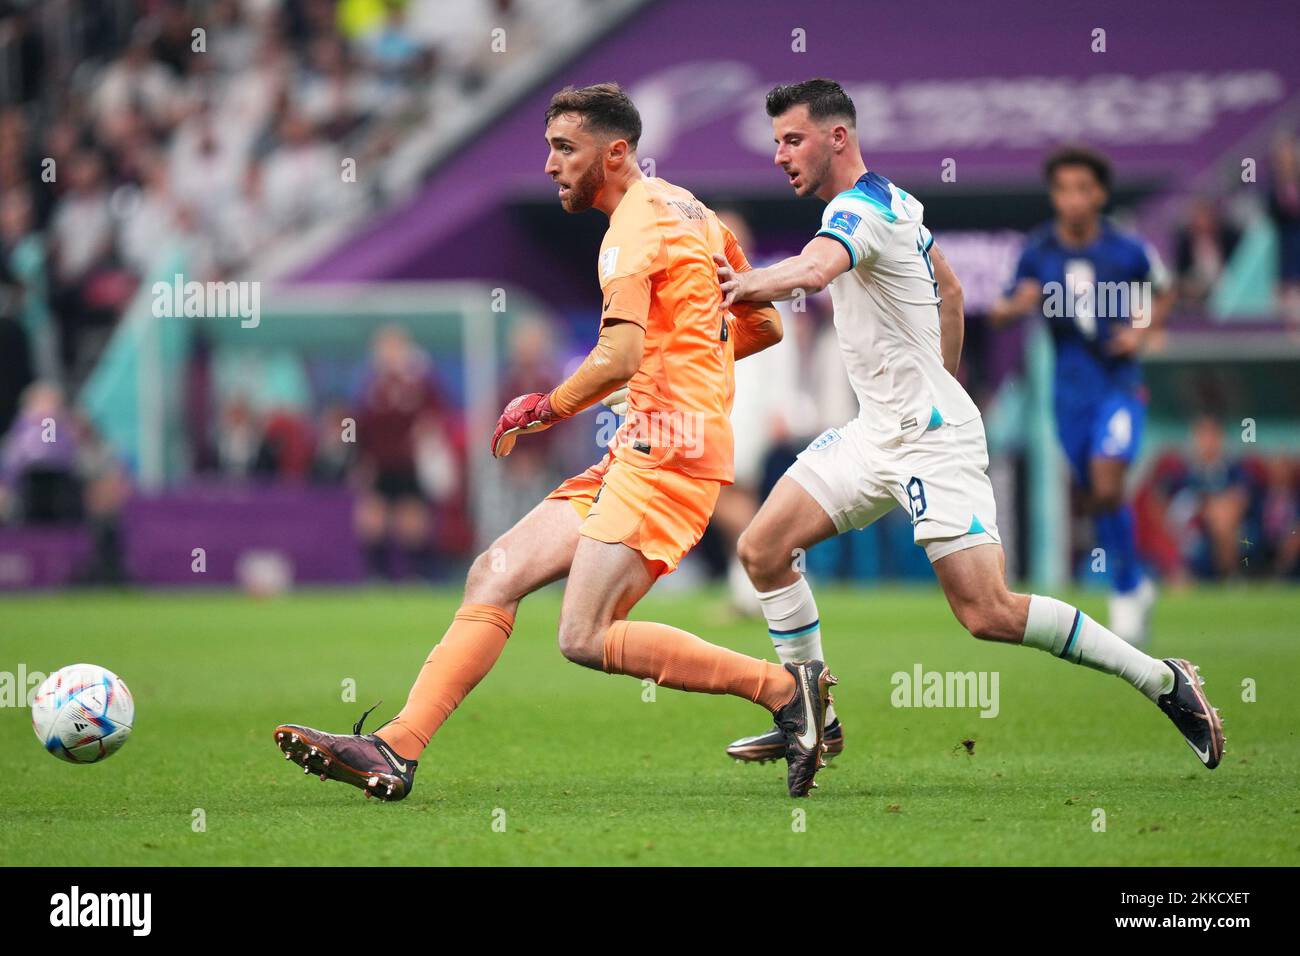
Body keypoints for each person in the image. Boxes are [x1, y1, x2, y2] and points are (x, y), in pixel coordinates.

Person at [274, 83, 835, 801]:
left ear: (616, 152)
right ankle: (395, 750)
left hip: (666, 450)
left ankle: (787, 693)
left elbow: (620, 357)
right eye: (548, 148)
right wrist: (688, 361)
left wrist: (542, 408)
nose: (549, 165)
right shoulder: (688, 207)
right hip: (651, 442)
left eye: (565, 149)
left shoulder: (631, 231)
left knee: (585, 634)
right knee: (495, 573)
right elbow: (764, 324)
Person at [716, 79, 1223, 773]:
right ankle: (814, 714)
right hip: (878, 433)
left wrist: (748, 283)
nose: (779, 154)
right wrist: (945, 379)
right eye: (775, 141)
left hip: (929, 439)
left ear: (838, 137)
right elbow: (950, 290)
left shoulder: (861, 212)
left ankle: (1165, 683)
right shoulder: (897, 204)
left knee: (986, 613)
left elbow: (814, 267)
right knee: (763, 548)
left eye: (792, 139)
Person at [990, 144, 1173, 647]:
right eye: (1063, 189)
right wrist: (1018, 304)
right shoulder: (1038, 250)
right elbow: (1002, 310)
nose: (1072, 199)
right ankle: (1134, 583)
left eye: (1082, 189)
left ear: (1100, 194)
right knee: (1095, 493)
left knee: (1109, 481)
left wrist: (1143, 331)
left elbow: (1163, 291)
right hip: (1068, 396)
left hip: (1119, 386)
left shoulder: (1126, 249)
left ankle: (1127, 587)